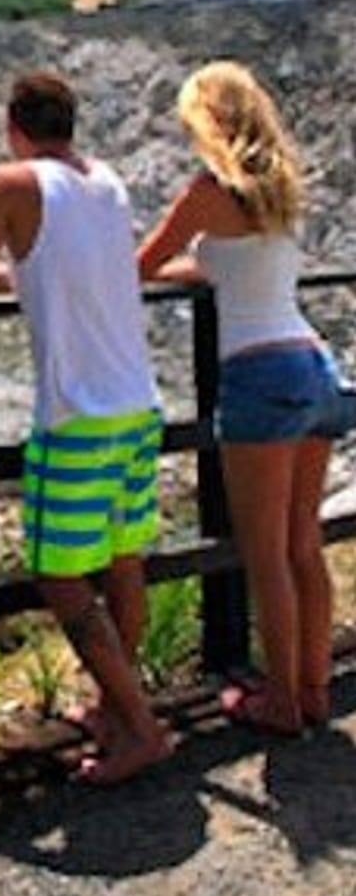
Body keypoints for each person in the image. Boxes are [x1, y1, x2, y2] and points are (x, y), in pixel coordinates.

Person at [0, 71, 171, 785]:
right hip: (137, 400)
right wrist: (23, 278)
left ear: (15, 125)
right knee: (124, 561)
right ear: (69, 123)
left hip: (76, 413)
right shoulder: (107, 180)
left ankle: (138, 728)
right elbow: (72, 267)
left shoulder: (10, 184)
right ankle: (115, 708)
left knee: (62, 576)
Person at [138, 59, 354, 734]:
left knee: (266, 556)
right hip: (315, 366)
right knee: (303, 546)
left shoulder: (209, 189)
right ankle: (315, 689)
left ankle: (281, 702)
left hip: (260, 376)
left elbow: (139, 266)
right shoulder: (278, 189)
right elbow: (225, 263)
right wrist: (195, 268)